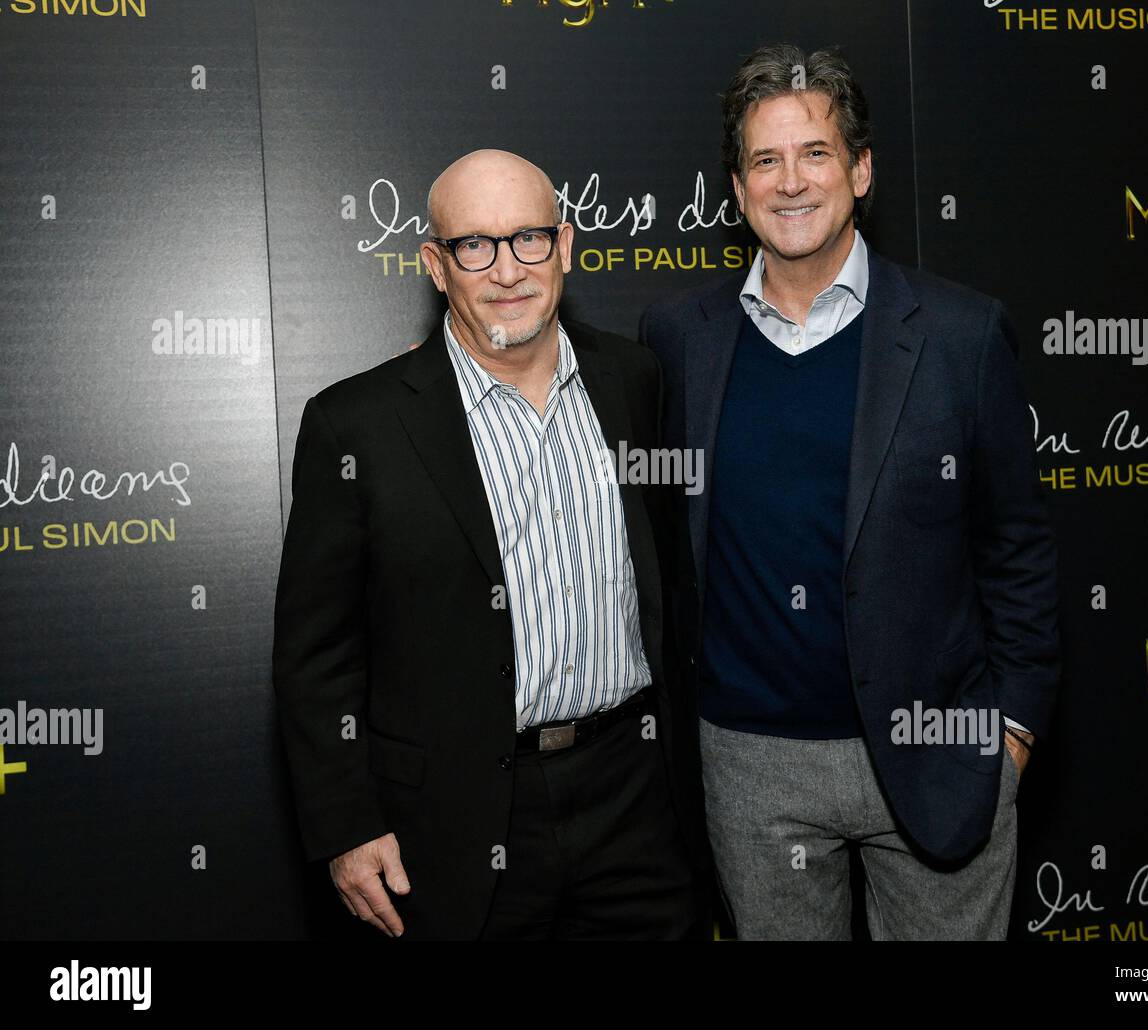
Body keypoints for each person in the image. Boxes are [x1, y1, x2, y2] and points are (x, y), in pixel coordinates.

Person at [640, 45, 1061, 940]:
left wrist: (1012, 734)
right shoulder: (679, 336)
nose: (790, 182)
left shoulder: (961, 333)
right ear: (737, 186)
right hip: (751, 767)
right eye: (765, 160)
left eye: (816, 154)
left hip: (939, 749)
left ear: (861, 170)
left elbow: (1017, 544)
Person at [273, 149, 708, 940]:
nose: (507, 269)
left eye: (529, 239)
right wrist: (344, 824)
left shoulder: (633, 380)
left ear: (567, 246)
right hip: (456, 819)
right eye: (475, 245)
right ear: (436, 266)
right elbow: (316, 656)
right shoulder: (356, 425)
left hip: (635, 798)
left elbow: (670, 581)